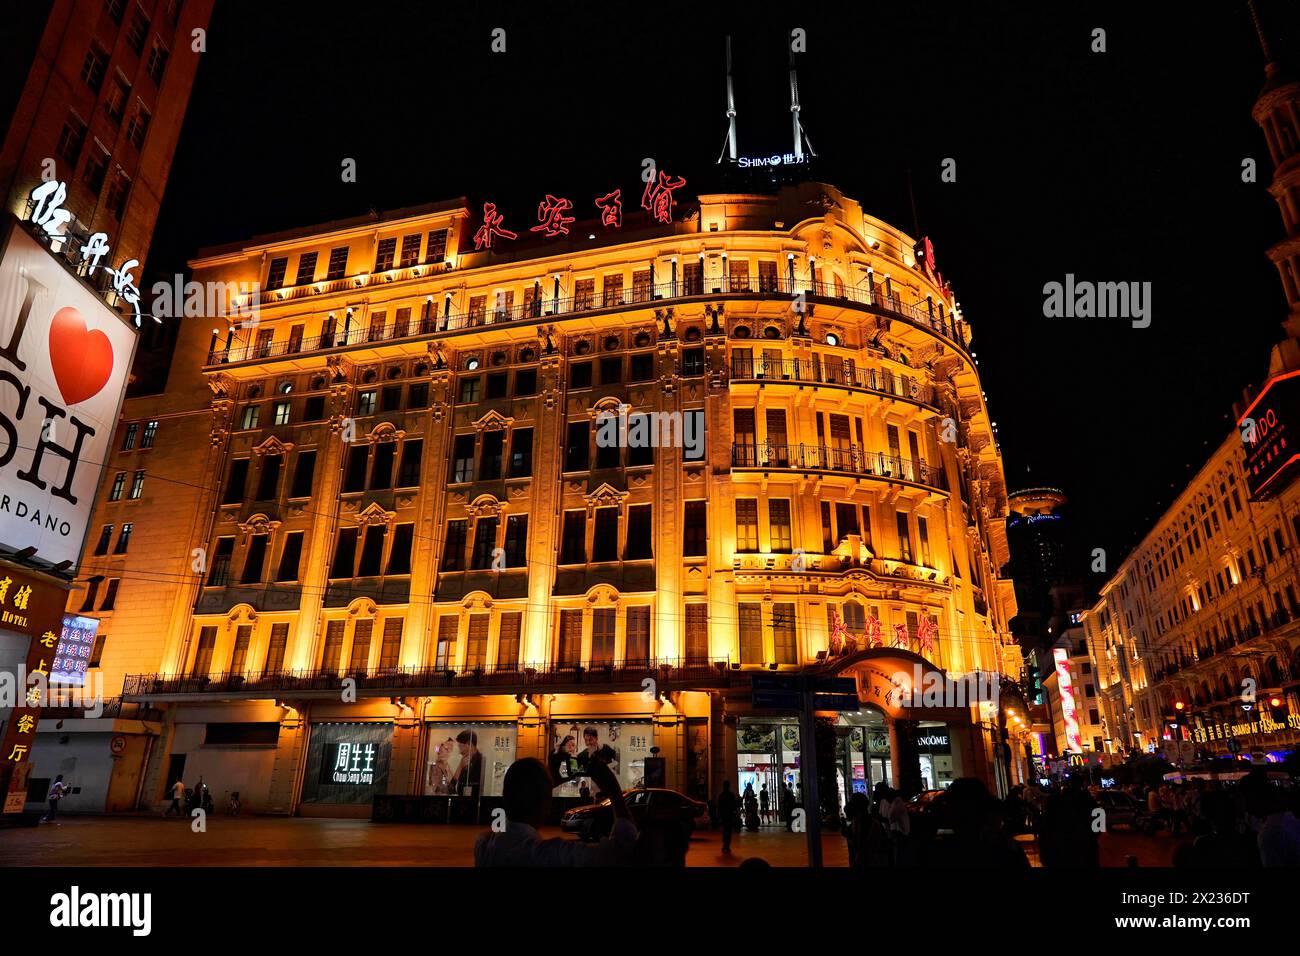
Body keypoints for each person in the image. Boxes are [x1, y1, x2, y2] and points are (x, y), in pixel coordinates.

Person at [474, 758, 636, 866]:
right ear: (546, 804)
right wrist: (614, 791)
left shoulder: (484, 846)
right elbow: (622, 852)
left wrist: (546, 785)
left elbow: (522, 796)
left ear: (504, 795)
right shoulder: (553, 855)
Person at [450, 729, 483, 798]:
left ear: (469, 744)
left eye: (460, 746)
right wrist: (460, 766)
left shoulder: (480, 761)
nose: (459, 750)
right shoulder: (464, 760)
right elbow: (451, 787)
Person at [717, 780, 737, 854]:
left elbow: (719, 806)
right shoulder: (731, 795)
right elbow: (734, 805)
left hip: (724, 815)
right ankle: (727, 845)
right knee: (728, 830)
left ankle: (725, 844)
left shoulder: (721, 795)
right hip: (729, 815)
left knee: (725, 830)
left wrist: (719, 816)